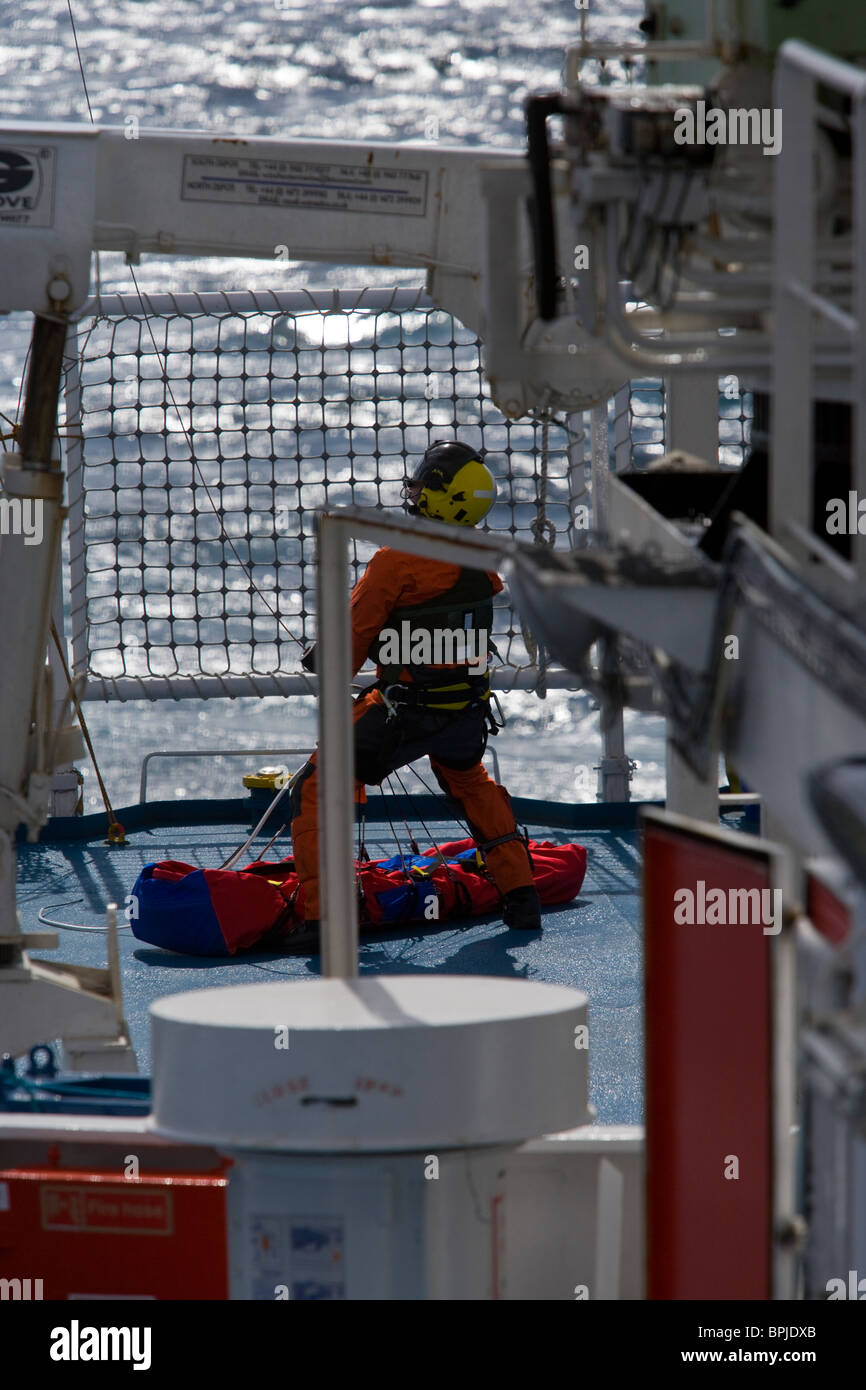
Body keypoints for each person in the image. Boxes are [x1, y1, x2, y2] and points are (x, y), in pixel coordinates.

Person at [289, 439, 542, 942]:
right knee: (471, 781)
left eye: (426, 483)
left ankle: (322, 917)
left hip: (403, 715)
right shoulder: (483, 561)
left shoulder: (394, 560)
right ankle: (522, 895)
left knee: (316, 787)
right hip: (465, 714)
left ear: (441, 496)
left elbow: (348, 645)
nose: (417, 488)